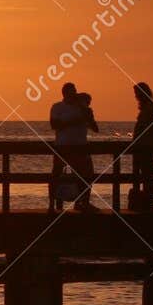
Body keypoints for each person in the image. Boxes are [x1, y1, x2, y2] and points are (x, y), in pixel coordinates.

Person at [49, 82, 97, 212]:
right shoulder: (57, 107)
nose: (74, 94)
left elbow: (95, 128)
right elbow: (54, 124)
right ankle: (53, 205)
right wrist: (75, 121)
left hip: (81, 147)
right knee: (57, 175)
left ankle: (83, 203)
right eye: (71, 91)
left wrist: (87, 113)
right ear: (64, 93)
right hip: (62, 147)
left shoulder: (82, 108)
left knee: (86, 175)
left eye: (75, 91)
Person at [128, 82, 153, 212]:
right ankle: (145, 200)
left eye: (137, 93)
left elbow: (152, 127)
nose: (135, 96)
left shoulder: (149, 108)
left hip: (145, 146)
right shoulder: (148, 107)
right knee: (144, 173)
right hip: (141, 145)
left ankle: (148, 201)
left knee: (146, 173)